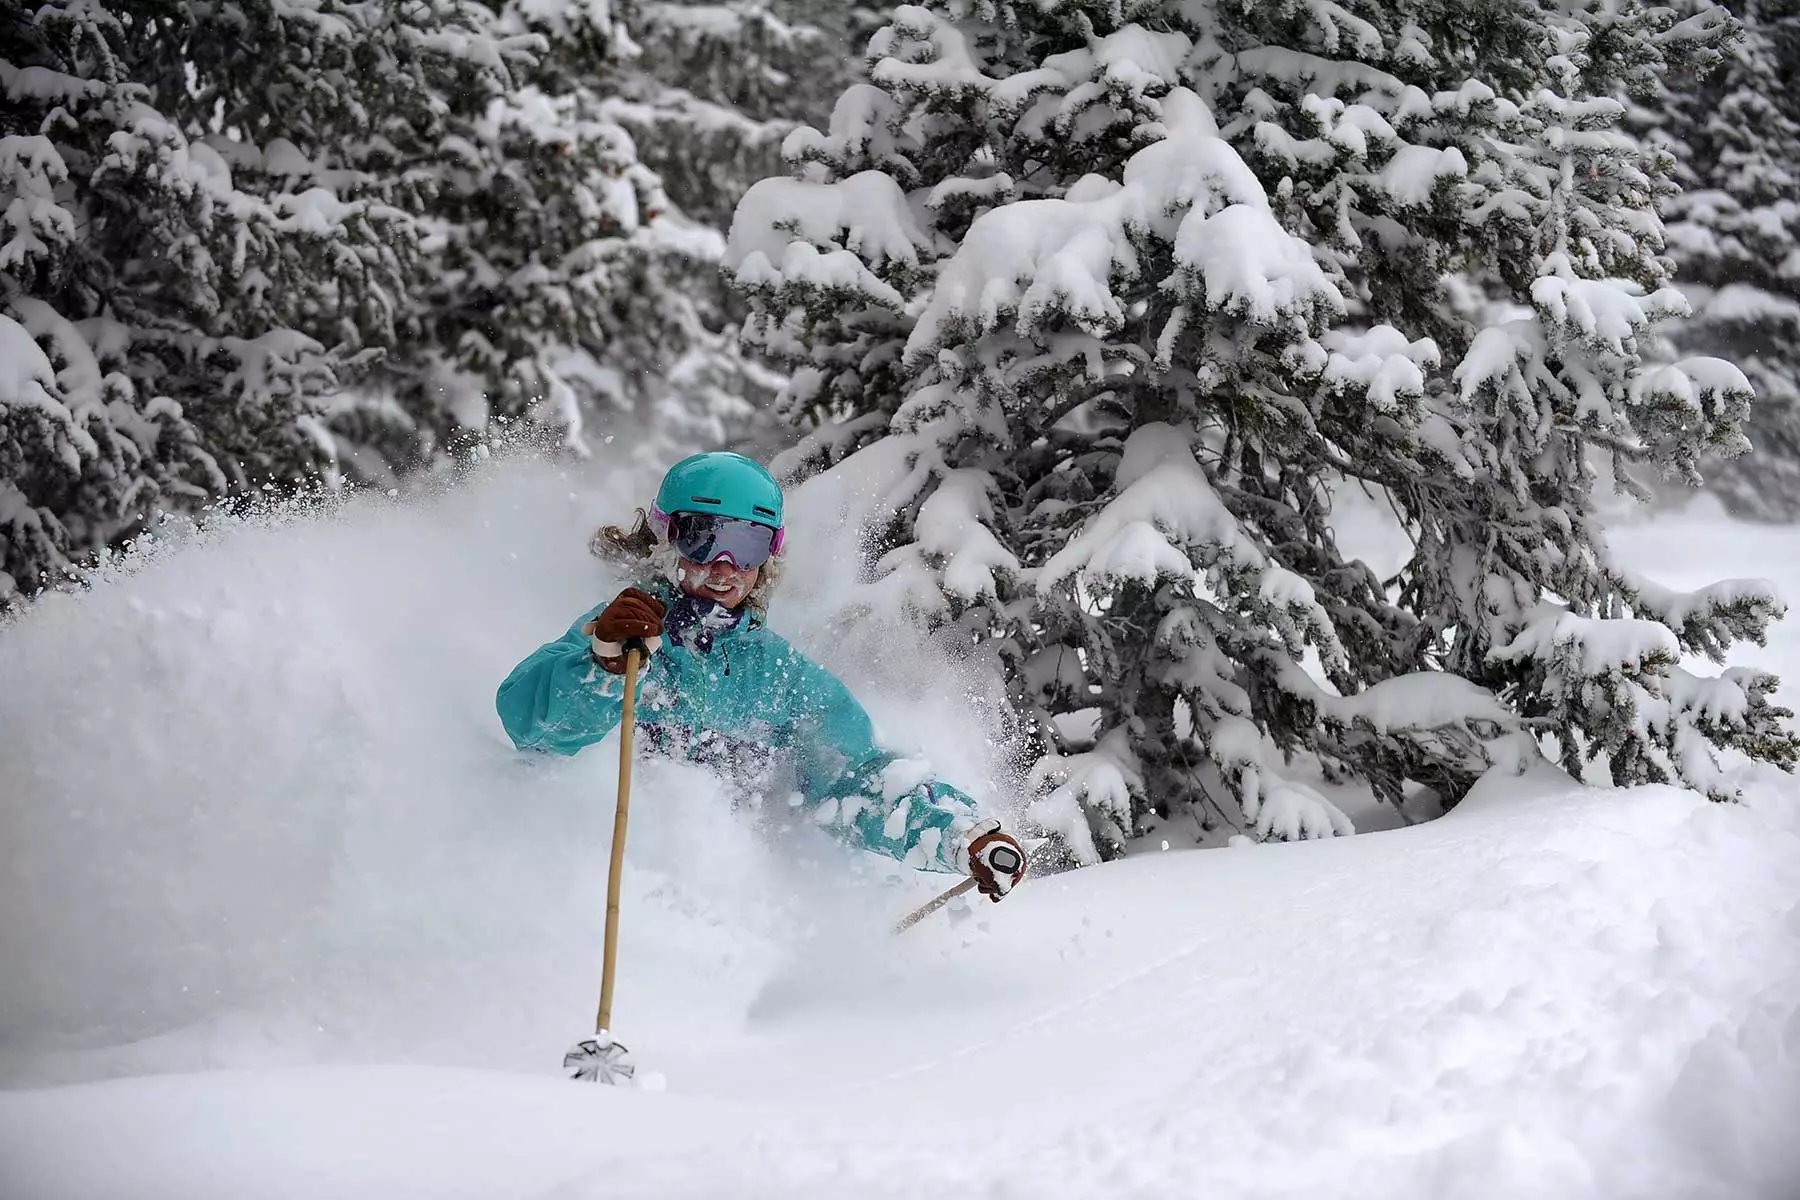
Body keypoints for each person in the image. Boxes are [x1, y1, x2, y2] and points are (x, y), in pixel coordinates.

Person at [496, 451, 1028, 900]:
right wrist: (603, 665)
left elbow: (852, 777)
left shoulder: (778, 675)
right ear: (667, 540)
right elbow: (531, 728)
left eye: (747, 545)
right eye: (704, 538)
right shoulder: (622, 634)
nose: (725, 564)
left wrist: (960, 836)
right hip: (603, 885)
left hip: (715, 904)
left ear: (767, 558)